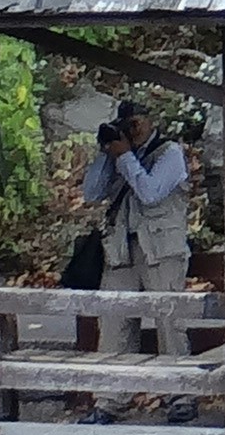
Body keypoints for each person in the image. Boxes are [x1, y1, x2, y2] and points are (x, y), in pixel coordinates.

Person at [80, 101, 197, 361]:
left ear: (149, 121)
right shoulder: (120, 156)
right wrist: (106, 151)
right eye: (126, 126)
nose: (132, 131)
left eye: (135, 123)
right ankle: (111, 399)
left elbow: (150, 193)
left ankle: (179, 395)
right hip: (121, 250)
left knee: (169, 322)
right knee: (114, 322)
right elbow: (91, 193)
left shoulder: (169, 152)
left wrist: (125, 157)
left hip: (161, 251)